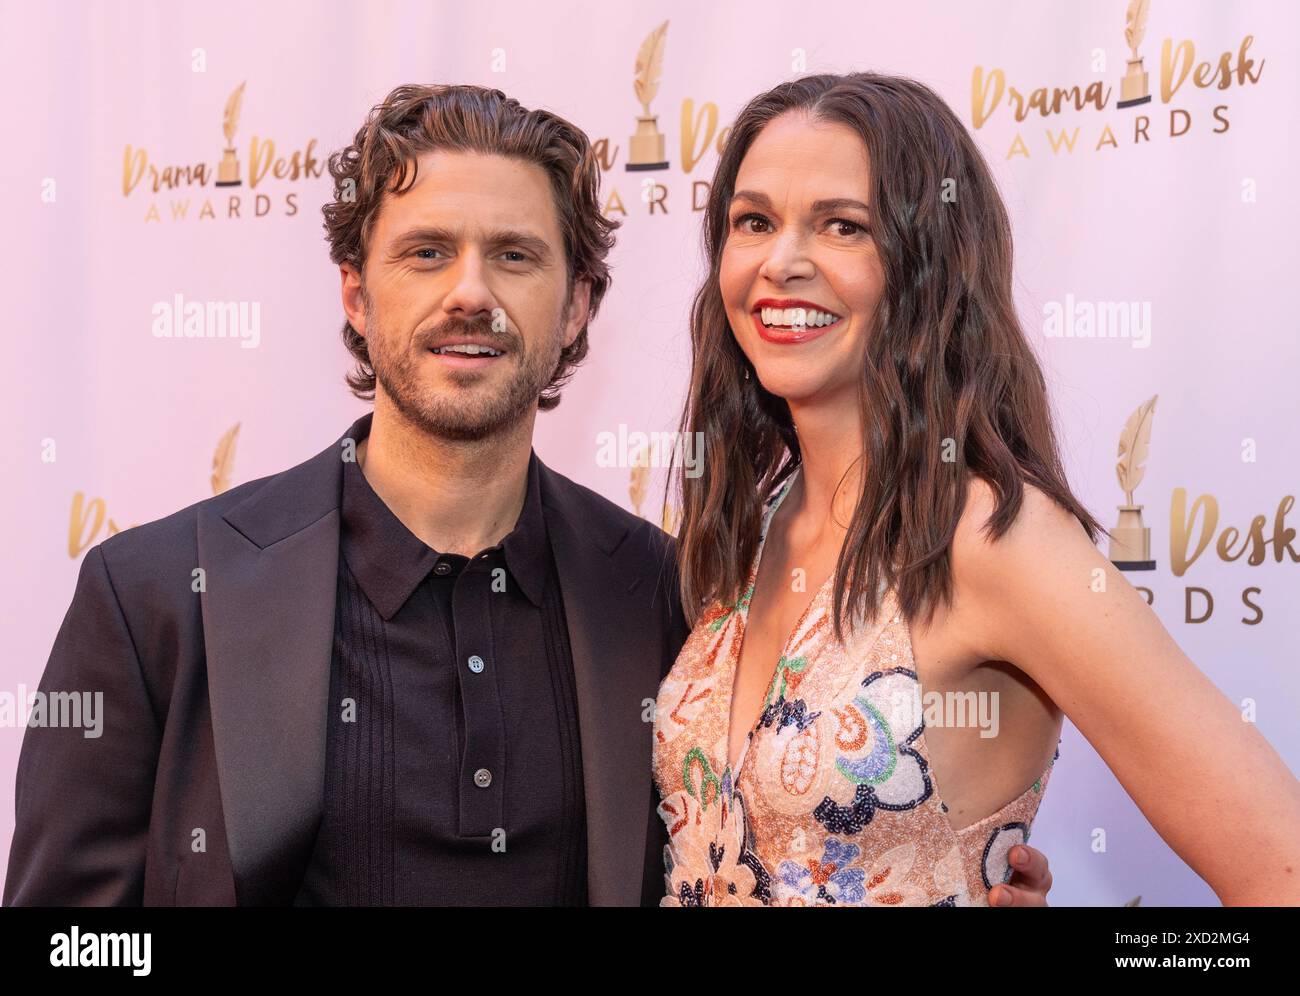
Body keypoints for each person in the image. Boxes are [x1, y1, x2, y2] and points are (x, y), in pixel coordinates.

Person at [4, 83, 1055, 907]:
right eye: (425, 254)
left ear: (577, 305)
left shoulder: (667, 592)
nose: (470, 291)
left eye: (515, 256)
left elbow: (773, 850)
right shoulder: (158, 596)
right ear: (356, 296)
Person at [652, 72, 1300, 906]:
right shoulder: (751, 525)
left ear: (929, 267)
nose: (782, 262)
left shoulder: (994, 537)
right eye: (754, 222)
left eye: (843, 225)